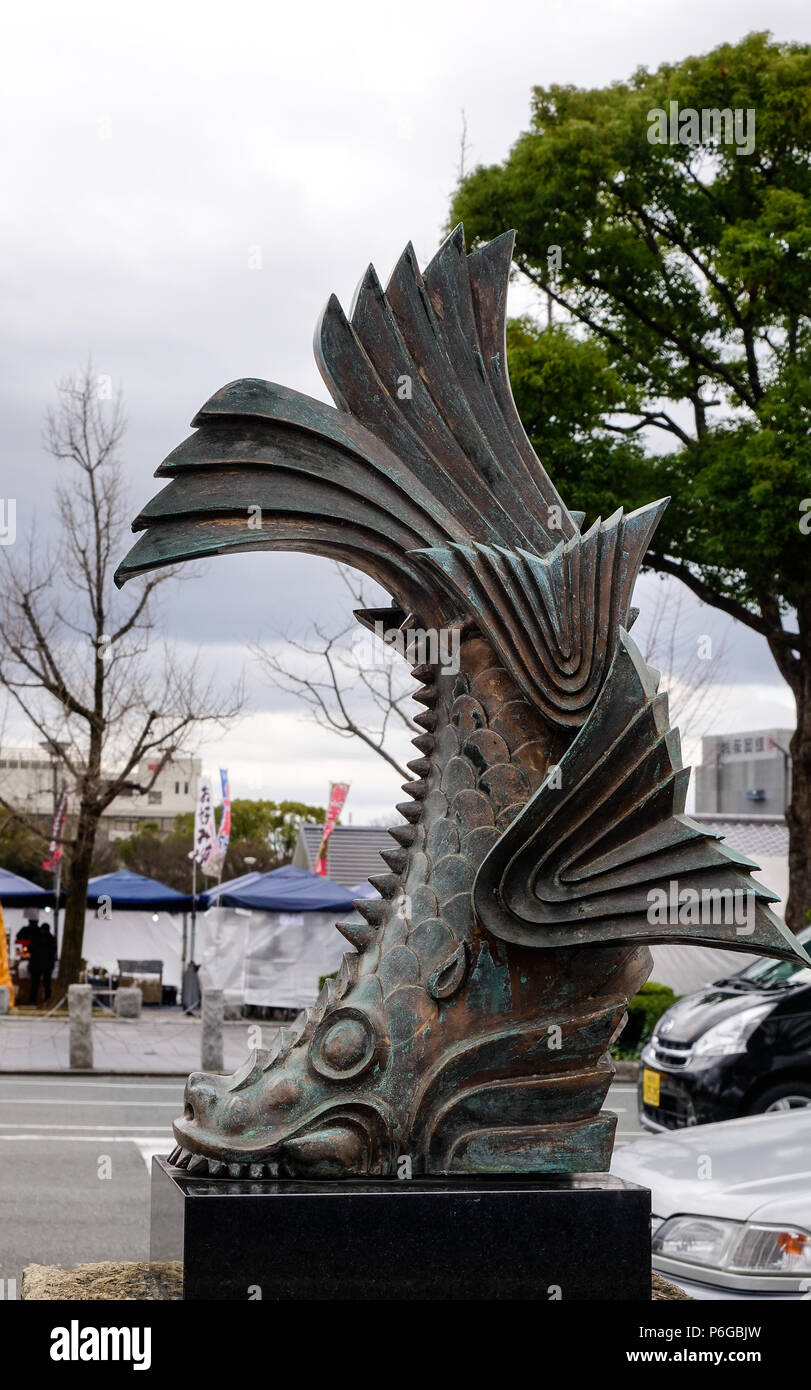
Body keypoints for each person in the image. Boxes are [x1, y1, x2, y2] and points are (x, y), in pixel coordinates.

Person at [28, 923, 57, 1007]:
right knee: (47, 984)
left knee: (35, 984)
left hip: (36, 965)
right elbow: (54, 952)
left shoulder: (36, 938)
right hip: (47, 965)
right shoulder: (51, 938)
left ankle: (32, 1001)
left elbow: (30, 949)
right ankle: (47, 1000)